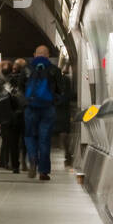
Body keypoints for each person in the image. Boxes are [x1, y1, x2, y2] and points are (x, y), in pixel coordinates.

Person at [23, 44, 65, 181]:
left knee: (30, 136)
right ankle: (43, 171)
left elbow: (20, 88)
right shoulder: (54, 70)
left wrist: (25, 102)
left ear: (34, 54)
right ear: (48, 55)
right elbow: (61, 90)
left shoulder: (27, 69)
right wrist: (54, 101)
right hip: (48, 109)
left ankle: (32, 158)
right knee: (44, 139)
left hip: (30, 108)